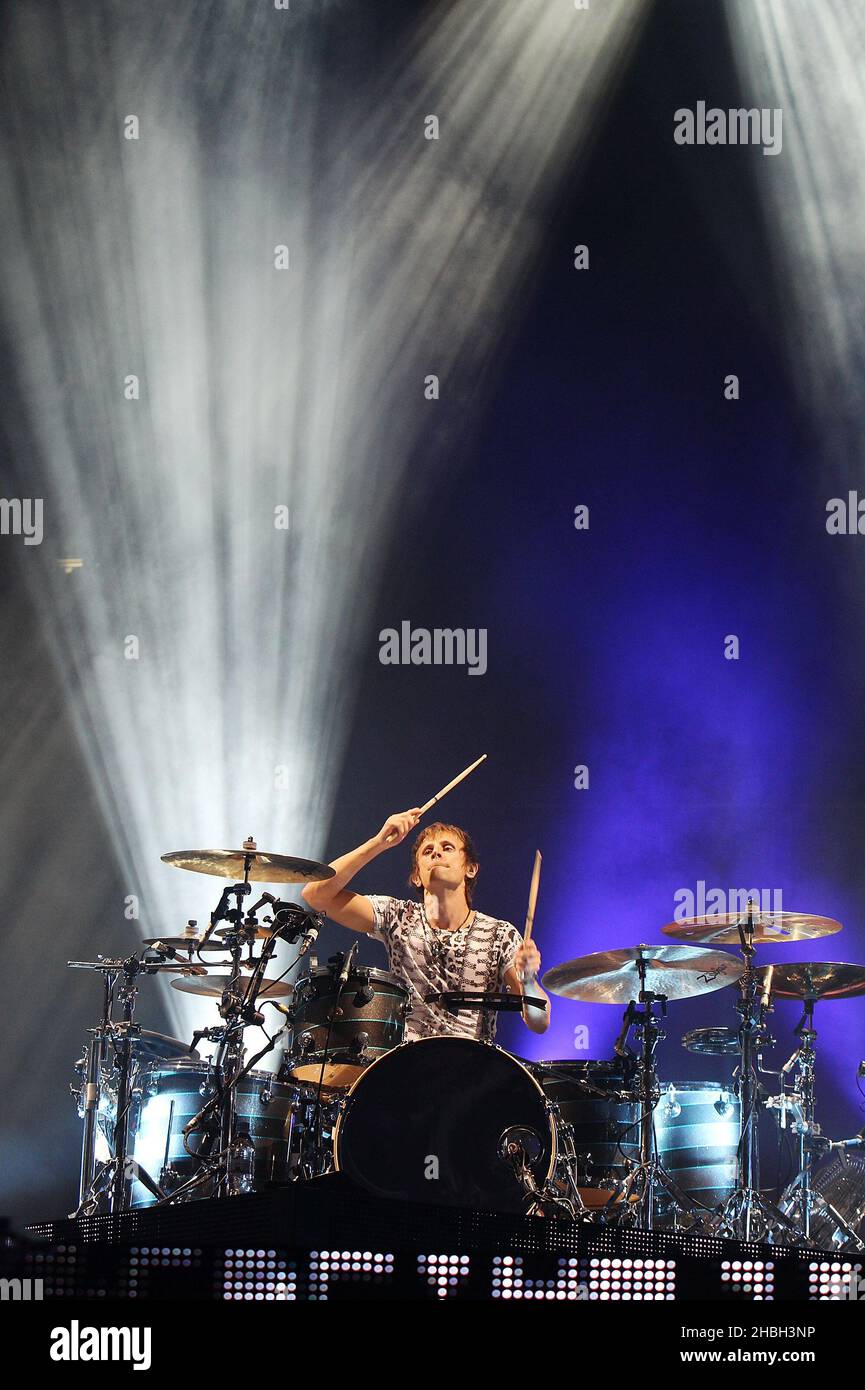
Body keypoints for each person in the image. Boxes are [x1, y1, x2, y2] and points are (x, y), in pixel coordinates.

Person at [301, 808, 550, 1042]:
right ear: (417, 876)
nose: (436, 853)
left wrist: (527, 981)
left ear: (471, 869)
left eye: (447, 847)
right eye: (427, 851)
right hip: (409, 1065)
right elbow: (316, 895)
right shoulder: (397, 916)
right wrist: (378, 843)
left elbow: (539, 1023)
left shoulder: (500, 934)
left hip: (475, 1070)